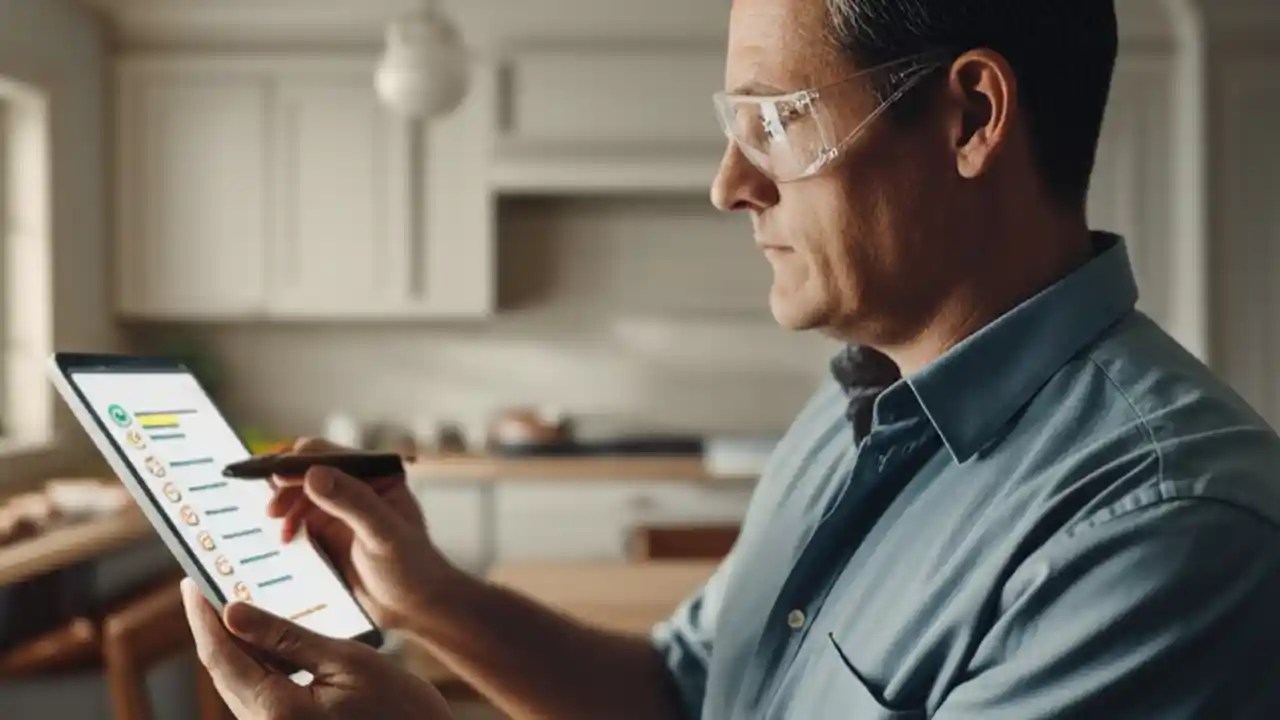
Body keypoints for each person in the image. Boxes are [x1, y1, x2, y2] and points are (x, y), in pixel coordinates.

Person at [185, 0, 1280, 717]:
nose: (728, 183)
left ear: (969, 117)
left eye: (775, 121)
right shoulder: (854, 401)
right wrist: (429, 600)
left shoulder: (1167, 534)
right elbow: (684, 693)